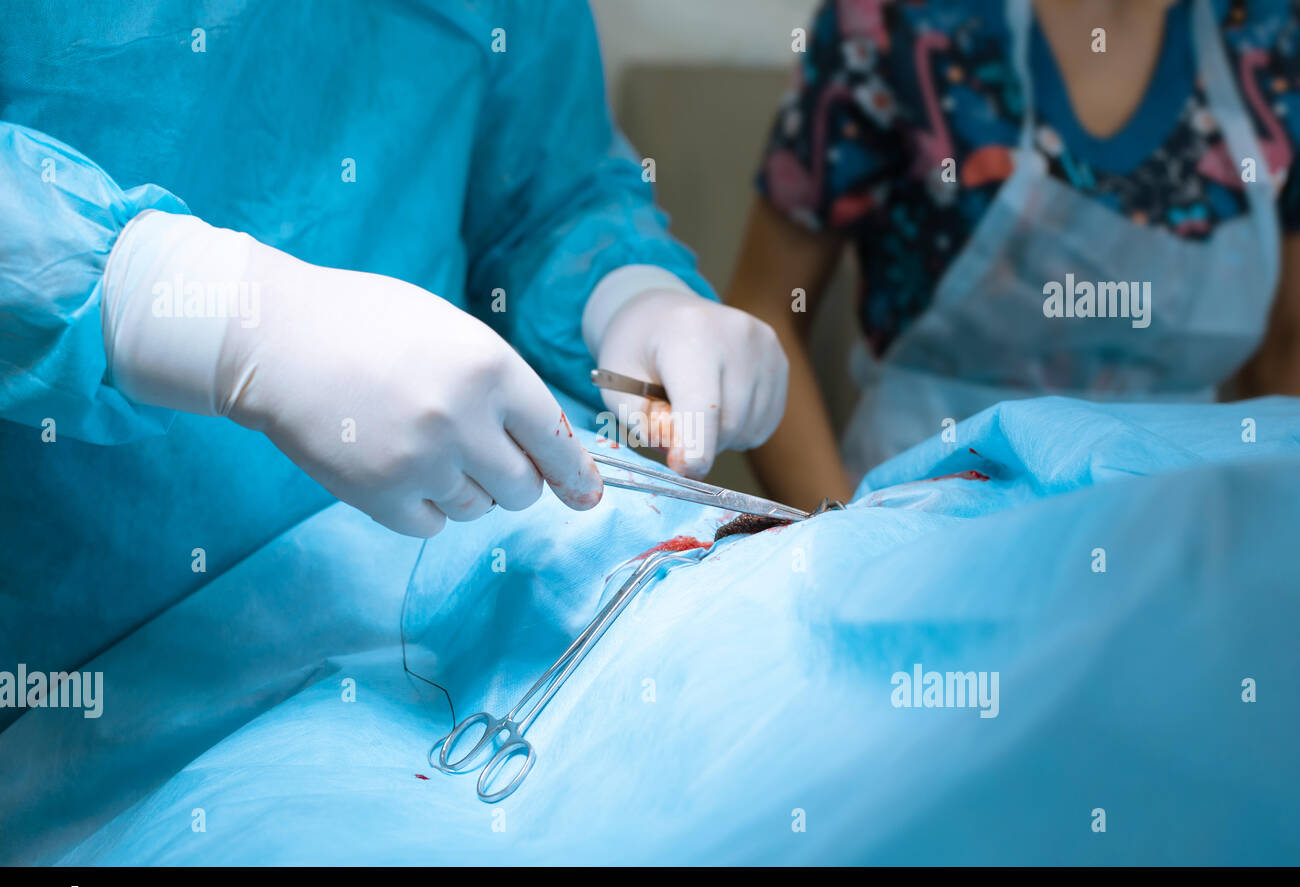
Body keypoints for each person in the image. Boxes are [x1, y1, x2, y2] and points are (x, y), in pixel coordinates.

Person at [0, 1, 787, 660]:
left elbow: (546, 188)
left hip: (412, 592)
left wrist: (628, 294)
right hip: (76, 656)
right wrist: (189, 304)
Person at [728, 0, 1300, 510]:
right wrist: (843, 543)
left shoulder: (1274, 34)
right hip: (920, 542)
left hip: (1181, 541)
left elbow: (1285, 354)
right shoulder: (891, 22)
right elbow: (765, 307)